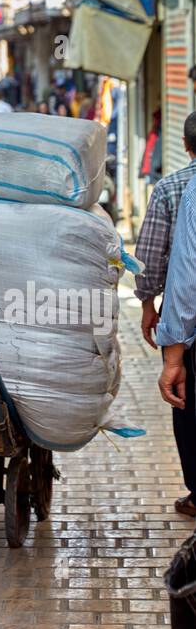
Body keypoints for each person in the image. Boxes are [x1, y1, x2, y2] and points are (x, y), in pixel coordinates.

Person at [136, 110, 196, 518]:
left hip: (186, 319)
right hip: (184, 314)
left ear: (186, 145)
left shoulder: (177, 188)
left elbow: (160, 259)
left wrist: (146, 303)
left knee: (187, 407)